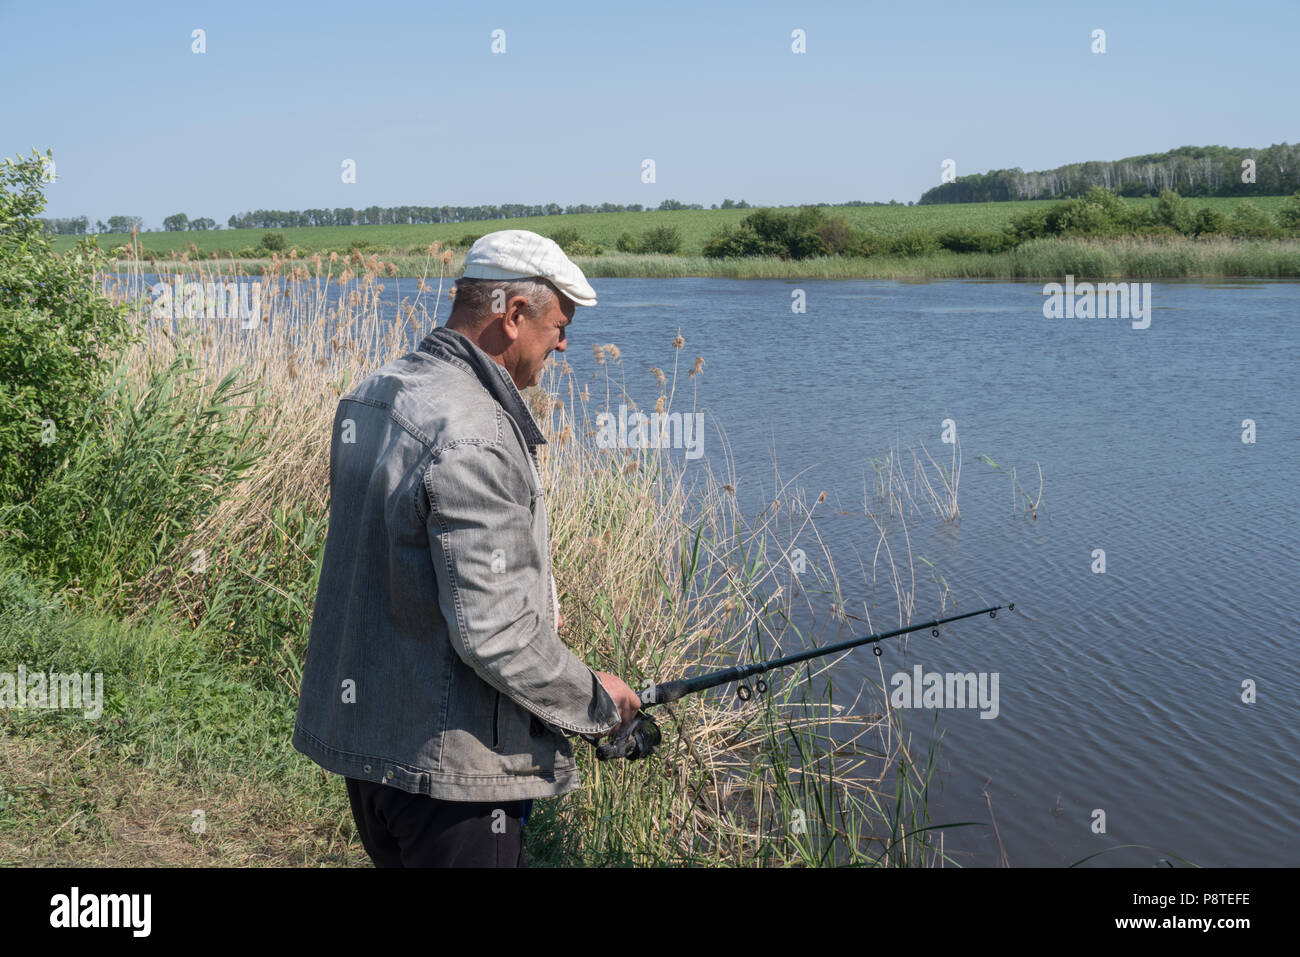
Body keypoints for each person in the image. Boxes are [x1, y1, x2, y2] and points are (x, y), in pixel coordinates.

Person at [292, 229, 642, 867]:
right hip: (453, 783)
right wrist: (594, 699)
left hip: (375, 754)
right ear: (513, 315)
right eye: (559, 324)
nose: (565, 343)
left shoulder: (376, 393)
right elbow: (496, 631)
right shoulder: (474, 435)